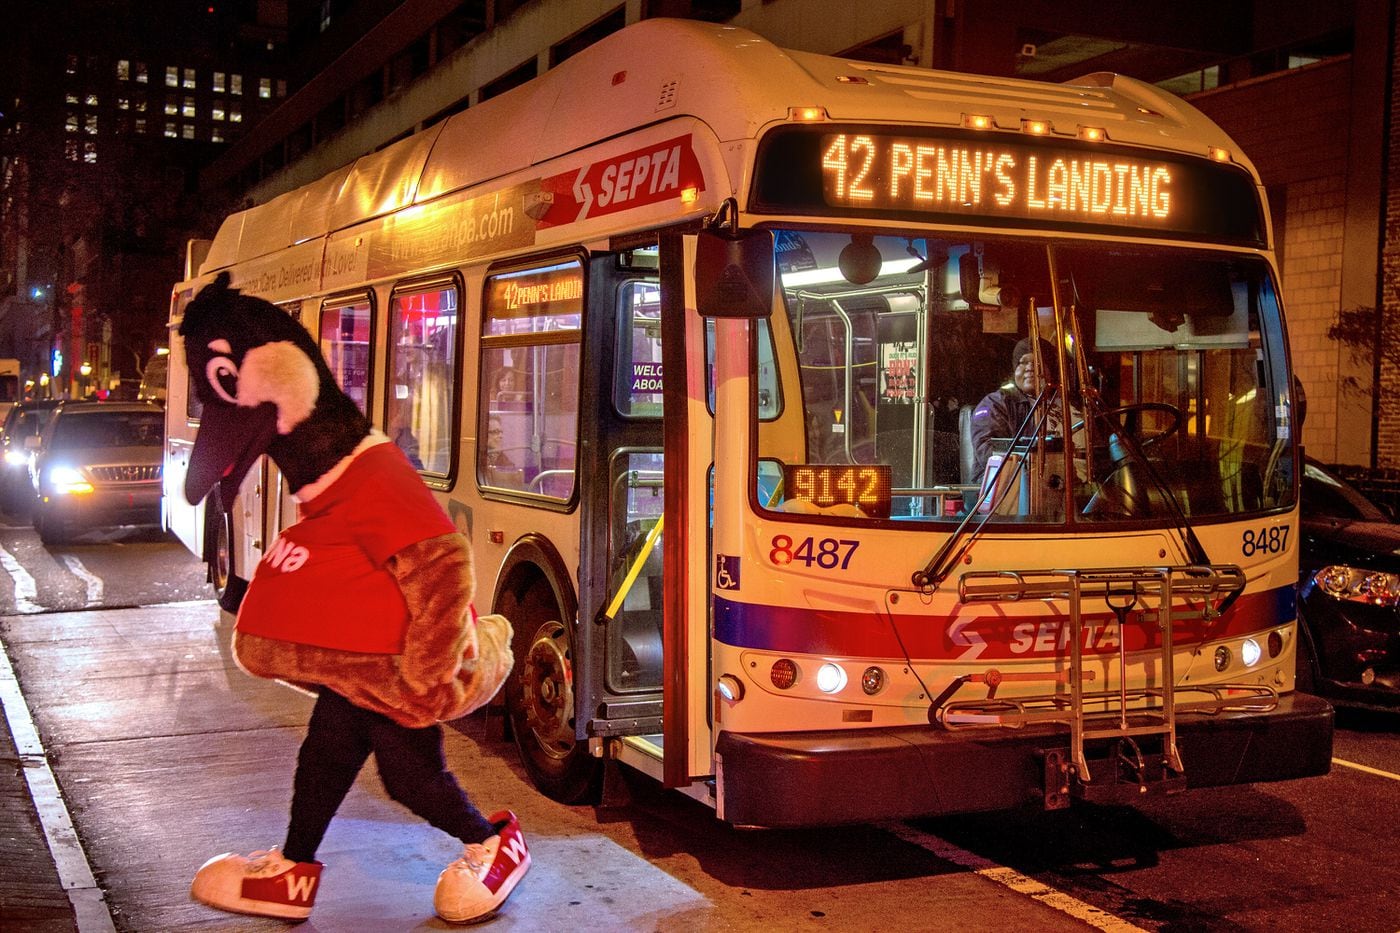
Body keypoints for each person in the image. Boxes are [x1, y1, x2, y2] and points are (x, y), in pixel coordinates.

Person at [968, 336, 1062, 480]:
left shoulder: (1066, 406)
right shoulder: (995, 404)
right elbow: (989, 451)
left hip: (1056, 481)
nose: (1030, 368)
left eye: (1038, 362)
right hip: (1004, 487)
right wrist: (1033, 464)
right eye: (1023, 362)